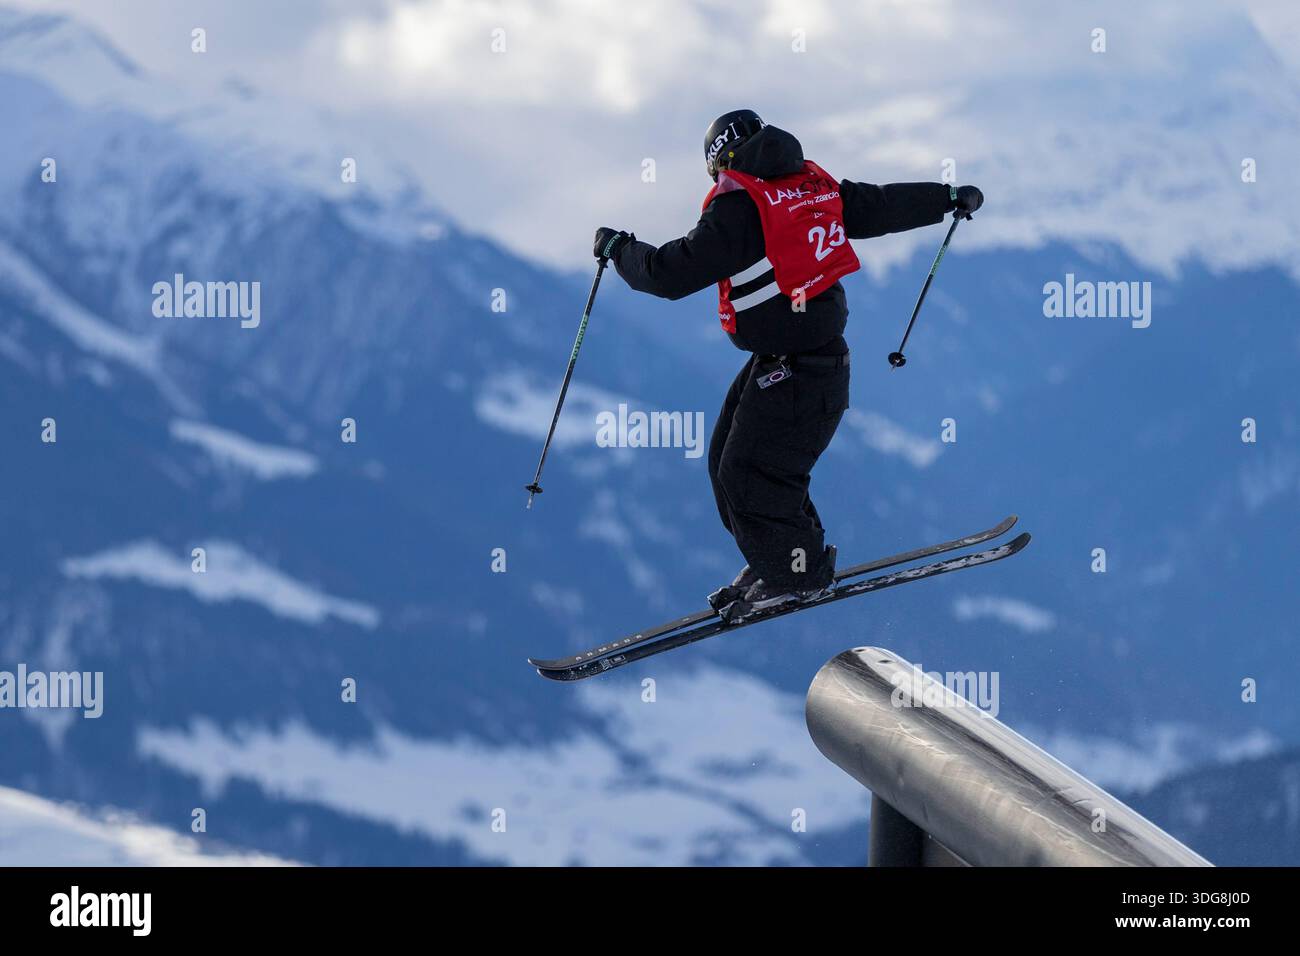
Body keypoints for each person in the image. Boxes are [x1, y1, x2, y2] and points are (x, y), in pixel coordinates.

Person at [594, 109, 983, 621]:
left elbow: (670, 275)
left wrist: (621, 250)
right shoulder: (807, 187)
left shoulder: (741, 209)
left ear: (720, 162)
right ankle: (777, 560)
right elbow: (878, 206)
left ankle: (798, 574)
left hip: (804, 370)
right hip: (796, 361)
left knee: (747, 473)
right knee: (727, 464)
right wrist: (946, 198)